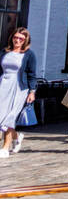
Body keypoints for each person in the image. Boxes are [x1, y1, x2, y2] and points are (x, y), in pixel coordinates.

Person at [0, 27, 37, 157]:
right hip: (3, 85)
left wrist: (32, 91)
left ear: (25, 40)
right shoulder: (5, 52)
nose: (18, 40)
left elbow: (32, 74)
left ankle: (5, 148)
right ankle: (17, 137)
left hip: (19, 88)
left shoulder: (29, 54)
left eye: (21, 39)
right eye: (16, 37)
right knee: (1, 116)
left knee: (10, 117)